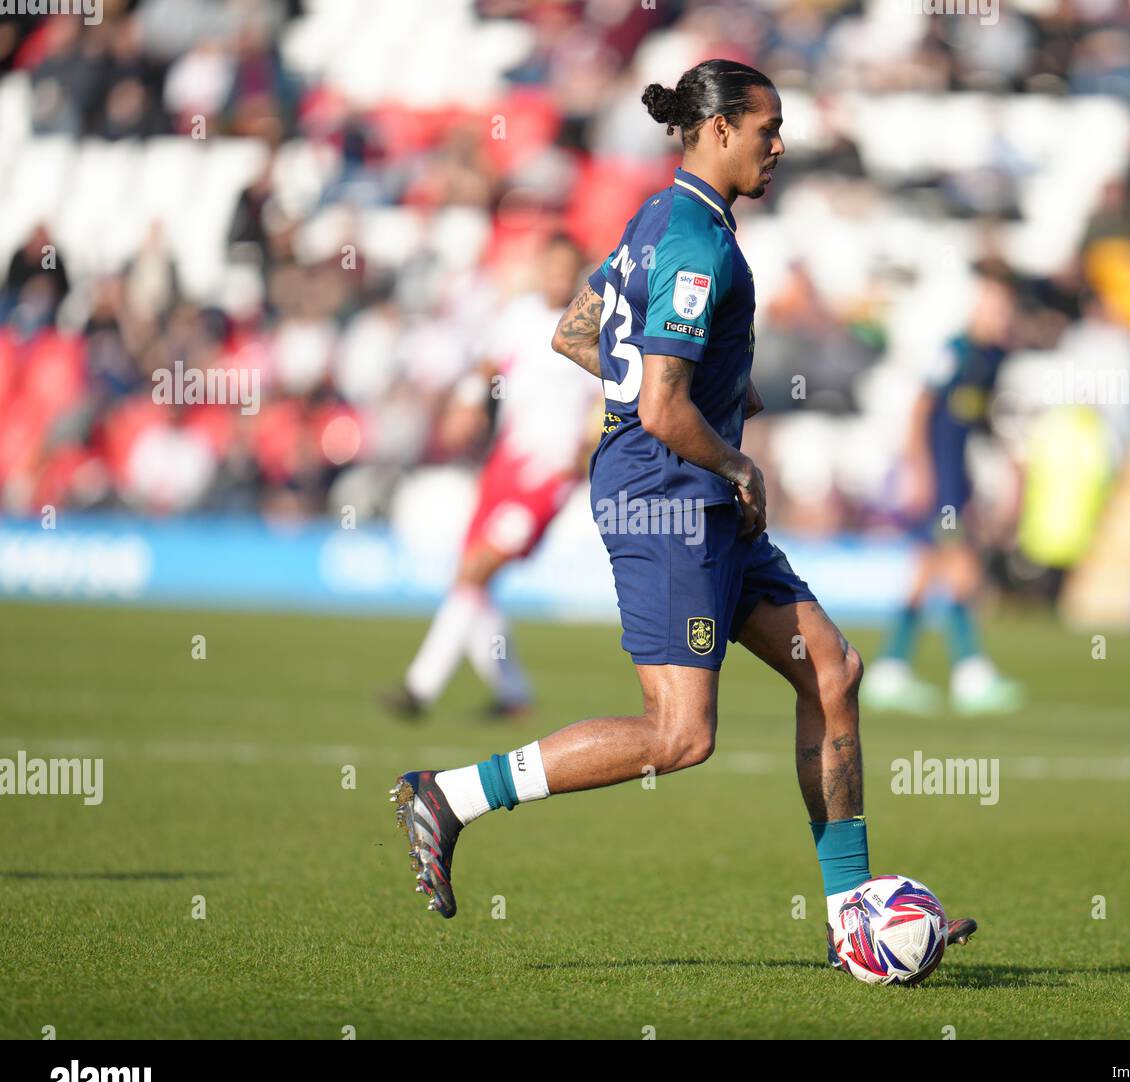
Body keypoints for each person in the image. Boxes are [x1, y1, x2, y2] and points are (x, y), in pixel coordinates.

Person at [390, 60, 976, 967]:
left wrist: (706, 403)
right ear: (716, 130)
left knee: (830, 667)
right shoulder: (697, 241)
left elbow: (577, 330)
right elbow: (661, 406)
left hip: (685, 483)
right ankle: (453, 795)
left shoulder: (658, 219)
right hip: (671, 494)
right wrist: (732, 453)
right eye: (766, 127)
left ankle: (853, 911)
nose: (779, 145)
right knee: (681, 734)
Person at [381, 236, 603, 718]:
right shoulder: (520, 316)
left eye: (570, 269)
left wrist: (585, 453)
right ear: (543, 268)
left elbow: (609, 399)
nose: (561, 277)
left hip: (549, 473)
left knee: (476, 570)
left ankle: (418, 690)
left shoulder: (593, 327)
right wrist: (467, 403)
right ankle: (515, 695)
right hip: (506, 462)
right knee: (472, 576)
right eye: (554, 266)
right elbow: (487, 367)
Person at [863, 261, 1026, 715]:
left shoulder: (993, 360)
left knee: (925, 572)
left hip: (958, 478)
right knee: (961, 569)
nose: (1000, 317)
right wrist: (920, 472)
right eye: (994, 308)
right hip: (940, 477)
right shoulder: (955, 351)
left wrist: (1009, 470)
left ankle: (890, 671)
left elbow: (983, 422)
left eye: (1004, 309)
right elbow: (920, 410)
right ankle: (971, 674)